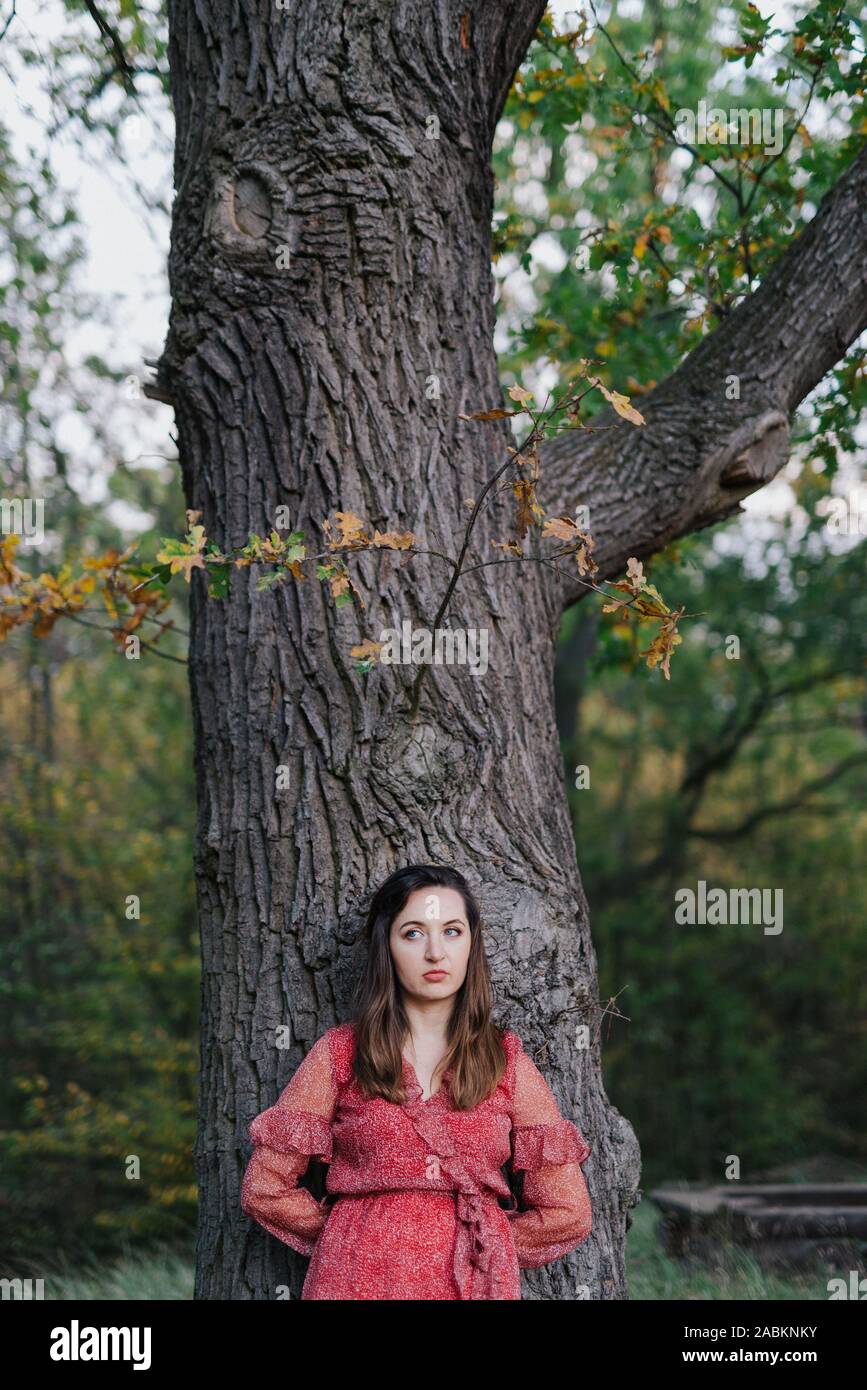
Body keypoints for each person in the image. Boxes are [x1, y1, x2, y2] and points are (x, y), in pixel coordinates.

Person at [241, 863, 592, 1299]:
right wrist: (351, 1238)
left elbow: (568, 1211)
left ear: (471, 944)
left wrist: (481, 1245)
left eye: (451, 931)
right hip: (355, 1281)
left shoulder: (506, 1061)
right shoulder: (341, 1053)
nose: (435, 953)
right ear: (385, 945)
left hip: (471, 1285)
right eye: (413, 933)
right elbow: (265, 1188)